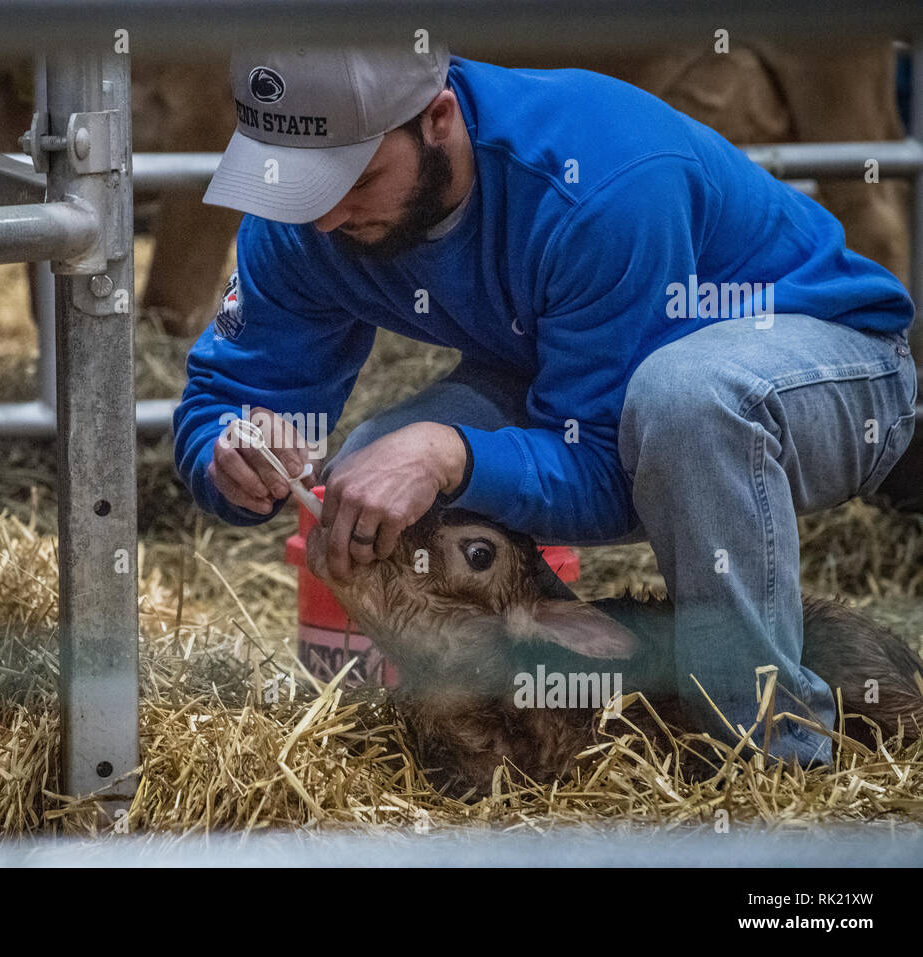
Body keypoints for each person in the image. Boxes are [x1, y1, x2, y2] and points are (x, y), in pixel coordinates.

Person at [172, 37, 917, 765]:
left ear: (437, 118)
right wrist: (232, 450)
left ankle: (772, 752)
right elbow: (227, 393)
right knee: (376, 469)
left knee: (686, 400)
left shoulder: (598, 182)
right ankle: (527, 738)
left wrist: (450, 453)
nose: (326, 220)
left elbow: (606, 465)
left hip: (821, 368)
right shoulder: (305, 222)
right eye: (296, 190)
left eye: (355, 180)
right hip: (589, 377)